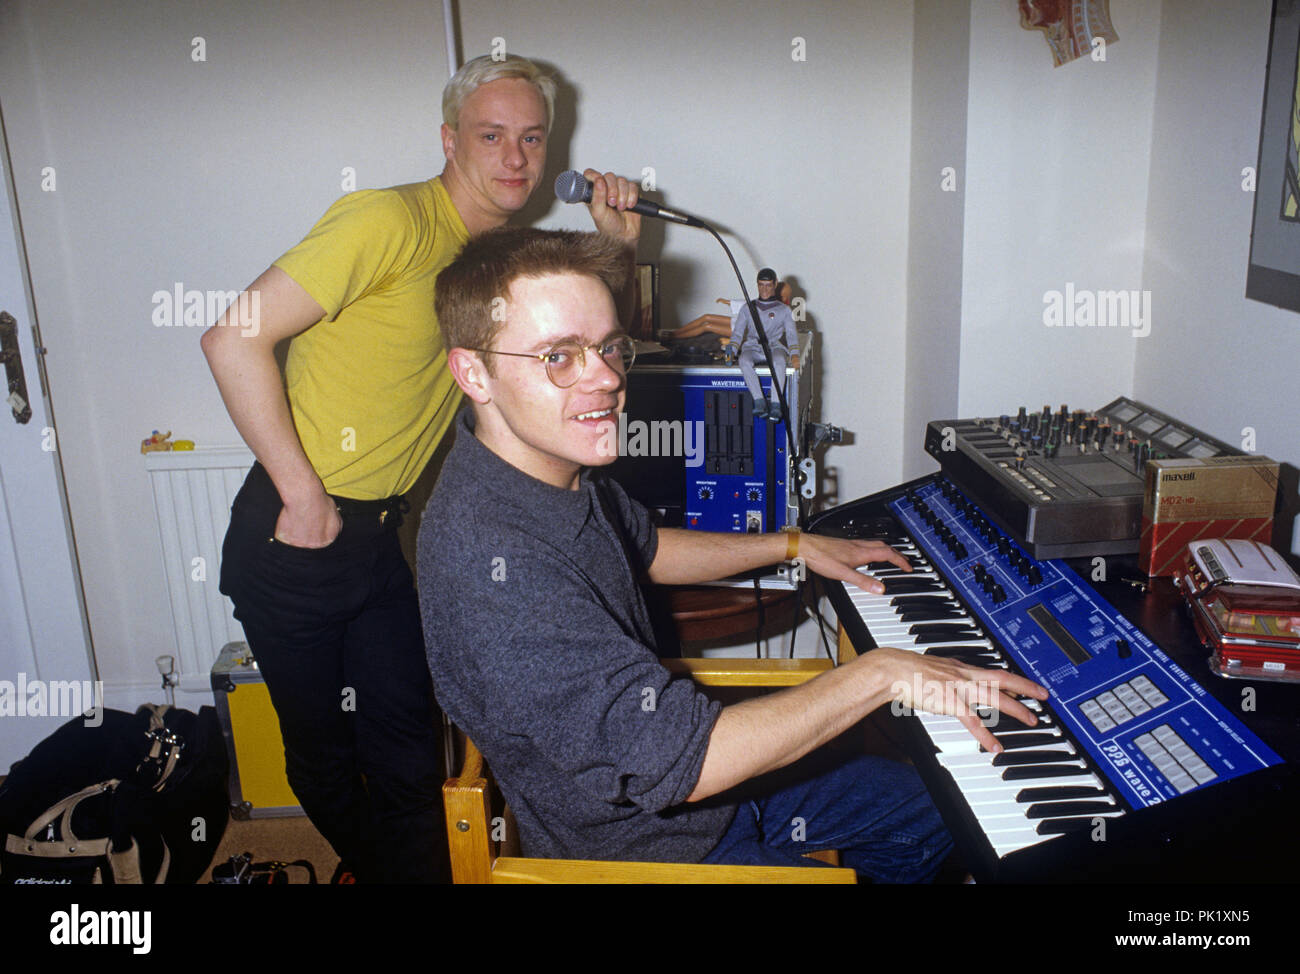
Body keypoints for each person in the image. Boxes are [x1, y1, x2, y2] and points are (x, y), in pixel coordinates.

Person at [417, 228, 1049, 880]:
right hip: (649, 851)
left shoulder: (549, 468)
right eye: (558, 357)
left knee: (937, 812)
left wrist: (791, 544)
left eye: (609, 347)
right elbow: (680, 763)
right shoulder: (496, 571)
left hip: (708, 791)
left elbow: (648, 546)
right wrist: (879, 674)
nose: (605, 379)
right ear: (472, 372)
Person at [200, 54, 641, 882]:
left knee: (408, 743)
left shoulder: (494, 258)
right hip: (295, 533)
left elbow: (587, 339)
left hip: (381, 536)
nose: (514, 157)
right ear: (449, 139)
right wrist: (302, 494)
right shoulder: (386, 221)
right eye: (491, 135)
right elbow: (232, 335)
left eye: (531, 138)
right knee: (324, 754)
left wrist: (615, 249)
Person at [726, 267, 800, 422]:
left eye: (768, 285)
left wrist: (794, 355)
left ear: (775, 284)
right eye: (761, 285)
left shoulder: (784, 310)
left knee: (779, 361)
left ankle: (776, 403)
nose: (764, 289)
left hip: (774, 346)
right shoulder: (748, 308)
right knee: (744, 361)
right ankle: (759, 400)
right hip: (753, 346)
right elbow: (738, 333)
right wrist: (731, 349)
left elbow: (792, 336)